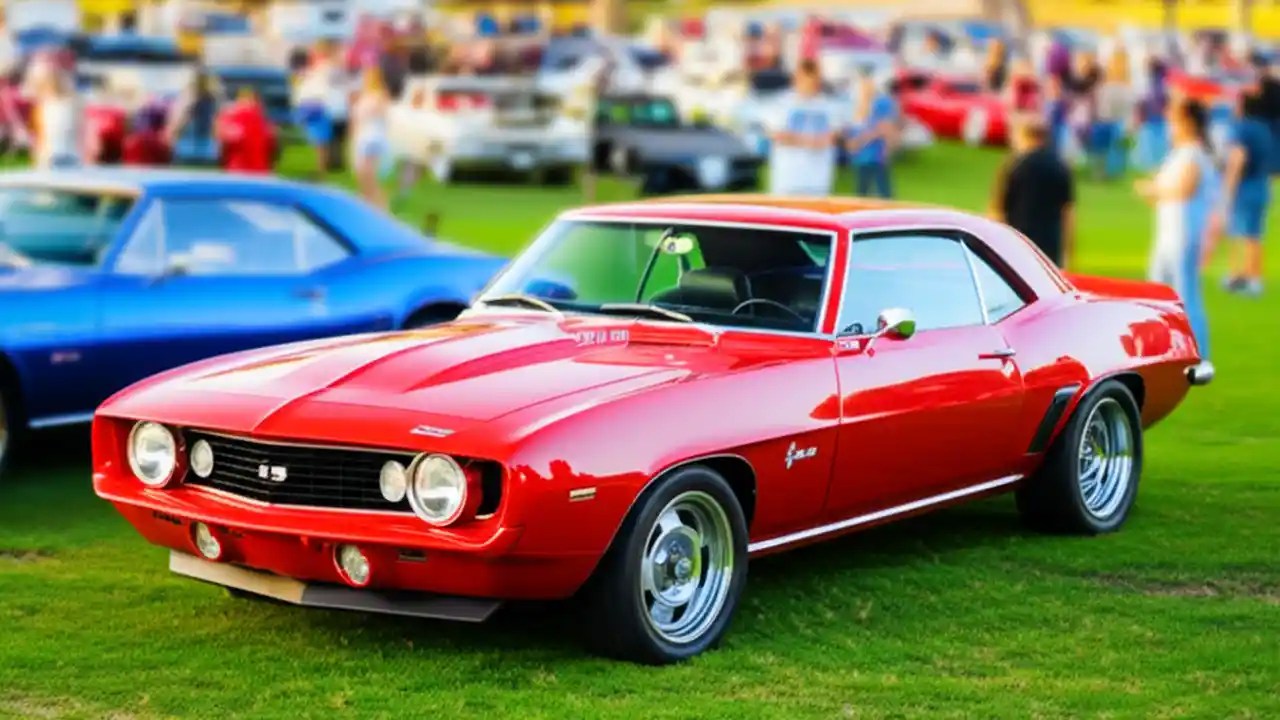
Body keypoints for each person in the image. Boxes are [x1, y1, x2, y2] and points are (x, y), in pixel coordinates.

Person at [1135, 95, 1216, 358]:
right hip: (1168, 234)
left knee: (1186, 294)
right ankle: (1167, 349)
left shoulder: (1194, 154)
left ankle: (1198, 352)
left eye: (1175, 120)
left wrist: (1154, 189)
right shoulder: (1179, 154)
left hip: (1185, 234)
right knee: (1159, 292)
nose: (1171, 125)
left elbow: (1184, 189)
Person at [991, 116, 1076, 269]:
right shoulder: (1060, 166)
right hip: (1049, 244)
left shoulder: (1014, 167)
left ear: (1025, 136)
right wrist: (1068, 252)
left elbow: (998, 209)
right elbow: (1068, 213)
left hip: (1018, 242)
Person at [1213, 87, 1272, 296]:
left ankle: (1244, 276)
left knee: (1242, 233)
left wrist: (1228, 186)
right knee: (1254, 233)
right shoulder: (1265, 128)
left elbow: (1238, 158)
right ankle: (1250, 275)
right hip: (1261, 184)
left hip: (1245, 186)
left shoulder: (1241, 129)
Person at [766, 59, 840, 197]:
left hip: (818, 183)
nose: (811, 84)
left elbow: (832, 137)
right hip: (788, 182)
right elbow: (777, 135)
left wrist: (797, 139)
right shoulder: (782, 104)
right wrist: (811, 141)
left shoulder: (828, 105)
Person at [845, 71, 898, 198]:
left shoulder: (881, 104)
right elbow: (850, 140)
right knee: (862, 193)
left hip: (877, 158)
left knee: (883, 194)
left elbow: (885, 130)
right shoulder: (855, 106)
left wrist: (863, 139)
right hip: (862, 159)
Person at [349, 67, 391, 208]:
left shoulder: (379, 96)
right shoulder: (363, 97)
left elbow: (381, 115)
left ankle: (381, 206)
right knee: (363, 175)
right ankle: (367, 203)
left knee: (369, 176)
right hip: (365, 138)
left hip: (373, 138)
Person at [1091, 48, 1133, 180]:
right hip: (1104, 119)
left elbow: (1127, 105)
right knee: (1102, 149)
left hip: (1115, 120)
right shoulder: (1105, 82)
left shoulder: (1124, 84)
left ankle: (1113, 172)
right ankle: (1101, 172)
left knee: (1116, 148)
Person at [166, 71, 219, 166]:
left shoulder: (206, 100)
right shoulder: (208, 100)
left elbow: (184, 119)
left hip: (197, 143)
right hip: (196, 143)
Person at [217, 87, 274, 174]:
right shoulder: (264, 121)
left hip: (237, 172)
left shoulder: (230, 117)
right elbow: (272, 146)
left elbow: (224, 145)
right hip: (260, 172)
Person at [32, 69, 81, 169]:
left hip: (52, 155)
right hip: (70, 153)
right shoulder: (72, 105)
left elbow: (42, 135)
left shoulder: (45, 107)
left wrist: (38, 158)